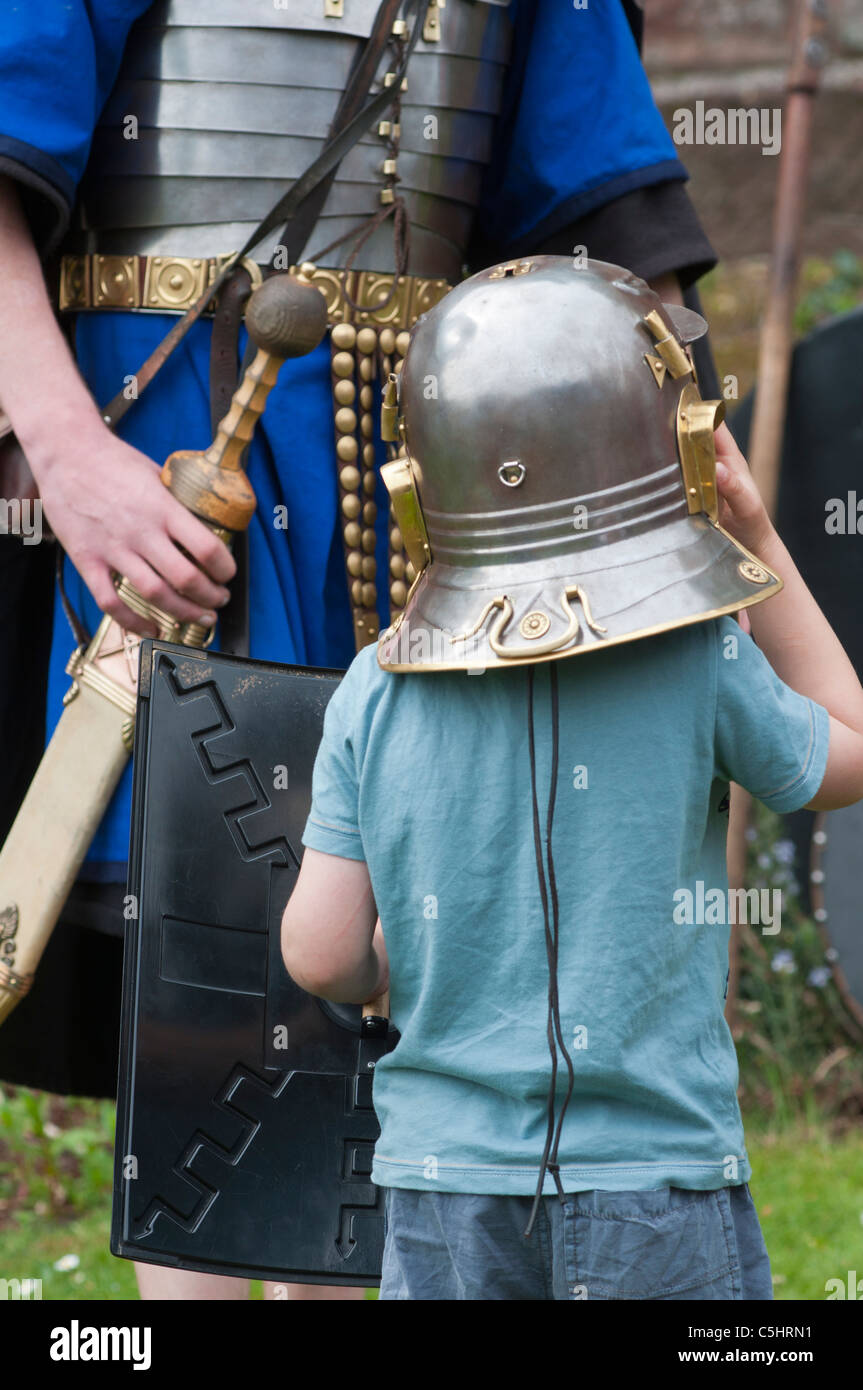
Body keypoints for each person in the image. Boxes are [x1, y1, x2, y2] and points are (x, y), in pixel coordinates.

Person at [0, 1, 716, 1298]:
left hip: (430, 495)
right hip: (169, 479)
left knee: (422, 959)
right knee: (206, 995)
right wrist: (65, 456)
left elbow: (614, 241)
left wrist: (686, 496)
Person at [281, 258, 863, 1301]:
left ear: (420, 485)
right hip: (655, 1180)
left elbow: (320, 952)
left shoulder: (374, 689)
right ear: (673, 463)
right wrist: (757, 538)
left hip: (444, 1183)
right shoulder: (698, 661)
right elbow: (846, 752)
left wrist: (388, 963)